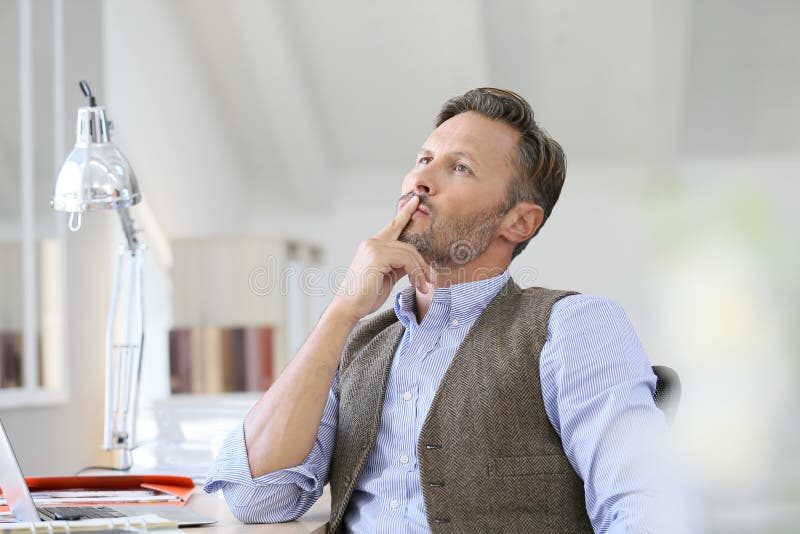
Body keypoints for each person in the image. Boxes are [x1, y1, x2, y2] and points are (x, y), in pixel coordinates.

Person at [204, 88, 687, 533]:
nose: (420, 179)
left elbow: (647, 509)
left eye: (460, 167)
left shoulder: (574, 327)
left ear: (519, 221)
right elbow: (255, 498)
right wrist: (342, 310)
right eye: (424, 159)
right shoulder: (357, 341)